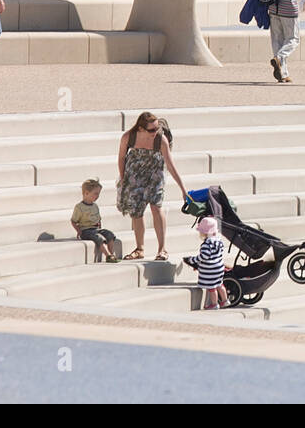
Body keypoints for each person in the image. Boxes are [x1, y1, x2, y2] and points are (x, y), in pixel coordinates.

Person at [116, 112, 188, 262]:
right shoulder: (129, 136)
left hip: (156, 173)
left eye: (157, 128)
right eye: (151, 130)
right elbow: (121, 157)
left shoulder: (160, 140)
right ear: (141, 128)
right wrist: (123, 179)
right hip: (134, 174)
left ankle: (162, 249)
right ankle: (139, 248)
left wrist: (183, 189)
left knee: (156, 206)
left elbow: (170, 165)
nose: (155, 132)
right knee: (136, 211)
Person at [72, 179, 120, 263]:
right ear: (86, 193)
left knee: (109, 234)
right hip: (85, 230)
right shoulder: (79, 207)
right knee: (99, 237)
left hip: (95, 229)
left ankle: (112, 253)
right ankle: (108, 255)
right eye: (95, 193)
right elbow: (73, 221)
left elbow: (98, 219)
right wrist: (78, 231)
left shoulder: (95, 206)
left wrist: (100, 229)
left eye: (98, 194)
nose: (98, 196)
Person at [184, 216, 227, 310]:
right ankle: (225, 300)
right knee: (220, 284)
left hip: (211, 269)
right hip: (219, 267)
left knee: (212, 287)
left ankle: (214, 304)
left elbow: (204, 256)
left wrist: (193, 260)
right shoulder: (218, 241)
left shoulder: (207, 244)